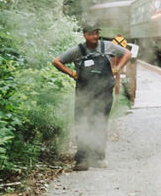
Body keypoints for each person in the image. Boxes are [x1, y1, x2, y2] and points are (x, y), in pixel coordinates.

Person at [51, 24, 131, 170]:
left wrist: (117, 69)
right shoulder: (77, 50)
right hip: (84, 94)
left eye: (96, 33)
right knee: (82, 123)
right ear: (85, 35)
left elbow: (127, 53)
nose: (94, 37)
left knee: (100, 123)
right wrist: (72, 73)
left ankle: (99, 158)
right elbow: (56, 61)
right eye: (91, 34)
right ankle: (82, 159)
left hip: (104, 93)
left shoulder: (107, 46)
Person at [111, 33, 138, 104]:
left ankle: (118, 99)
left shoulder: (114, 46)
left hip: (119, 66)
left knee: (119, 79)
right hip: (124, 70)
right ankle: (130, 100)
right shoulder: (129, 50)